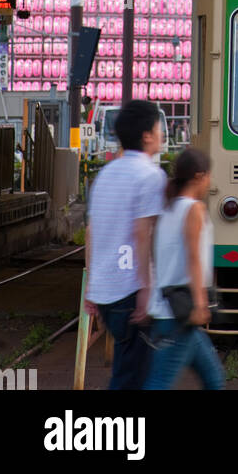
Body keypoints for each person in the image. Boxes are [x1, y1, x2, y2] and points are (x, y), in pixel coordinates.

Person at [83, 99, 167, 389]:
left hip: (105, 292)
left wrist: (91, 288)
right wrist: (146, 290)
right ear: (146, 135)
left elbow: (92, 232)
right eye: (159, 128)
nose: (162, 134)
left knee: (128, 367)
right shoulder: (151, 176)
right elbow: (143, 235)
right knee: (131, 377)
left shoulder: (105, 175)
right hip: (130, 291)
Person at [144, 146, 225, 391]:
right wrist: (201, 304)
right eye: (209, 176)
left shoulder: (167, 210)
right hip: (179, 315)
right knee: (159, 383)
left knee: (214, 379)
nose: (210, 182)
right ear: (199, 176)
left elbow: (155, 256)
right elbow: (194, 259)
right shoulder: (194, 209)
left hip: (171, 311)